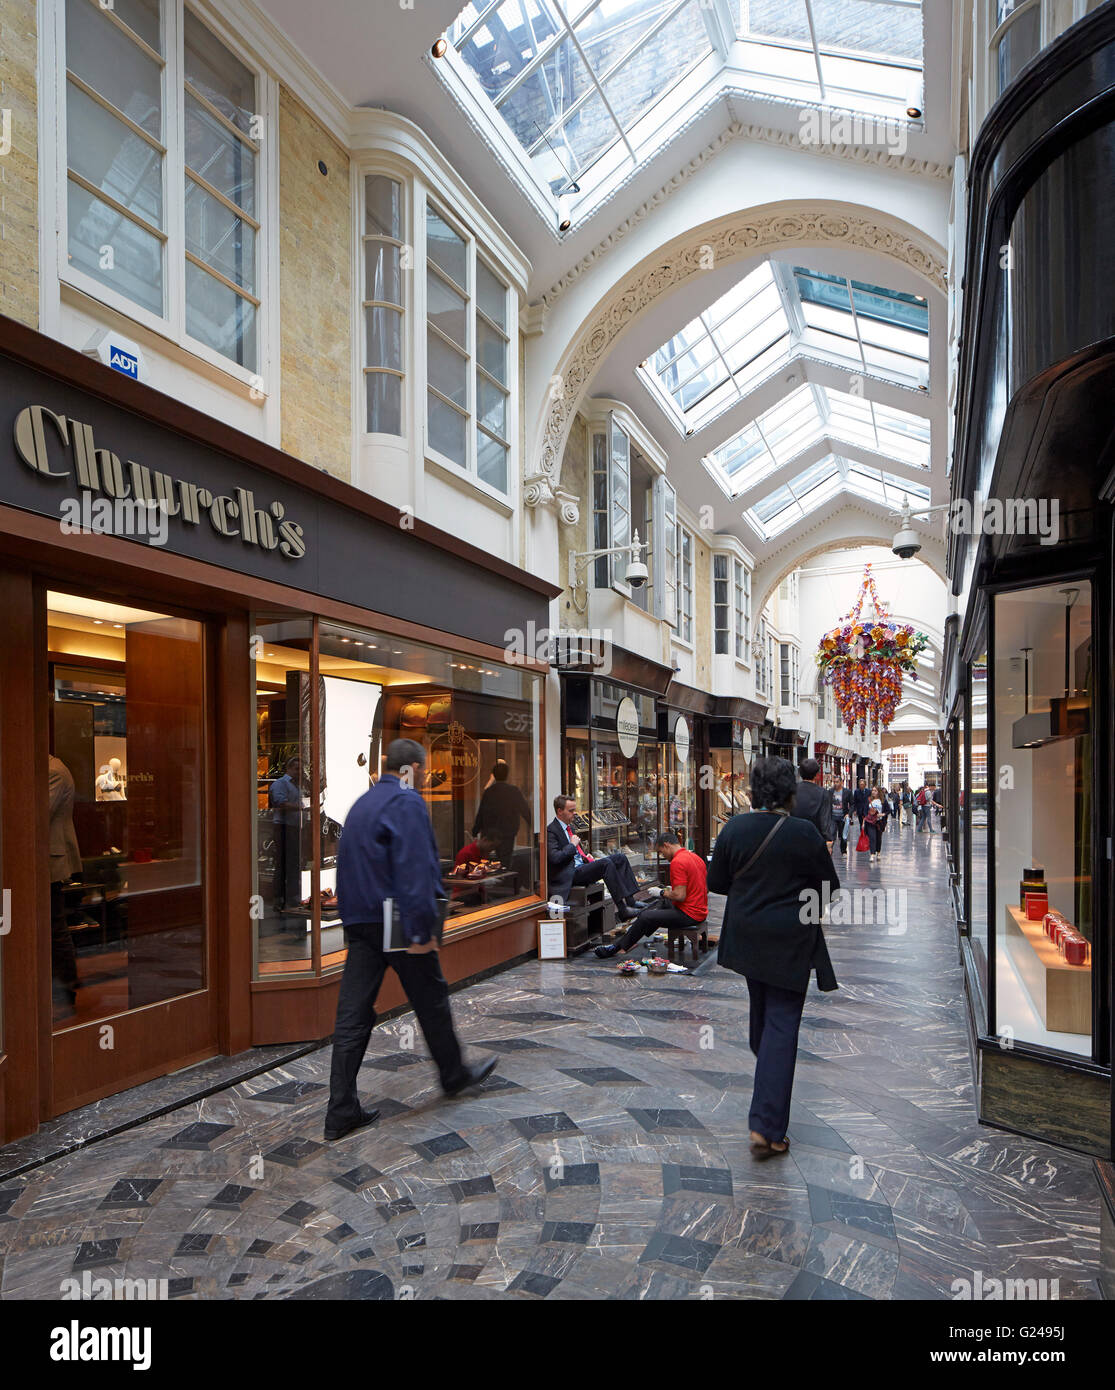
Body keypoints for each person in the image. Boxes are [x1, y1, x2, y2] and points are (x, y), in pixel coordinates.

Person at [324, 739, 497, 1142]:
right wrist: (422, 931)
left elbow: (344, 862)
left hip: (361, 922)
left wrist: (351, 919)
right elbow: (415, 868)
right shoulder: (407, 802)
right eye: (423, 769)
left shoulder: (361, 804)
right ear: (414, 768)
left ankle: (340, 1110)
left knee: (352, 1016)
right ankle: (453, 1075)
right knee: (431, 998)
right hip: (398, 921)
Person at [709, 756, 839, 1158]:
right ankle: (767, 1127)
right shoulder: (802, 833)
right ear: (790, 792)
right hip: (789, 941)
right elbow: (828, 889)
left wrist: (754, 895)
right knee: (781, 1027)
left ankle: (768, 1083)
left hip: (748, 938)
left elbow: (717, 882)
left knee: (764, 1020)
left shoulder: (734, 828)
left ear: (753, 790)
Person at [595, 831, 707, 958]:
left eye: (661, 851)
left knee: (646, 917)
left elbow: (680, 896)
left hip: (689, 914)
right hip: (700, 911)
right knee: (657, 906)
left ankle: (617, 947)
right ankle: (634, 932)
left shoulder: (678, 862)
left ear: (666, 845)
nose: (662, 855)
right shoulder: (695, 857)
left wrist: (662, 892)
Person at [547, 795, 644, 921]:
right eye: (570, 811)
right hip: (570, 874)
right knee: (606, 864)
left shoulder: (570, 828)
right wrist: (572, 845)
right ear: (560, 811)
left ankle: (631, 901)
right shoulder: (551, 831)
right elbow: (555, 858)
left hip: (580, 866)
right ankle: (622, 909)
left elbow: (576, 852)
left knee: (620, 858)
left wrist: (585, 856)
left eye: (574, 810)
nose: (574, 814)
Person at [49, 754, 82, 1018]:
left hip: (49, 860)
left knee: (55, 927)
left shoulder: (54, 771)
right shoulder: (50, 768)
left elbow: (35, 815)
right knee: (53, 926)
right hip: (44, 859)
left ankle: (68, 986)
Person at [471, 760, 532, 865]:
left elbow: (481, 812)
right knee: (505, 860)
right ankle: (504, 878)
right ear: (507, 775)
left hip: (490, 832)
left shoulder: (489, 792)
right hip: (507, 832)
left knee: (487, 860)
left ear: (494, 775)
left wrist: (475, 830)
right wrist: (531, 824)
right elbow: (524, 809)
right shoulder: (513, 791)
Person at [269, 755, 304, 912]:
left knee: (293, 863)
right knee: (282, 864)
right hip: (283, 827)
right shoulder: (280, 784)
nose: (299, 772)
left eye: (300, 769)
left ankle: (292, 898)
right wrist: (299, 806)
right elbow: (279, 802)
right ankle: (279, 899)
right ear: (288, 768)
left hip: (294, 827)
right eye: (296, 768)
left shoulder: (297, 785)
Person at [790, 758, 833, 852]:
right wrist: (828, 841)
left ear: (800, 773)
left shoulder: (791, 790)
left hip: (793, 839)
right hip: (815, 840)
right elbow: (824, 820)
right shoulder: (823, 793)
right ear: (817, 775)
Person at [830, 779, 853, 856]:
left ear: (841, 782)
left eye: (837, 782)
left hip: (843, 817)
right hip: (832, 817)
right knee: (831, 833)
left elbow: (852, 804)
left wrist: (849, 814)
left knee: (843, 835)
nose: (835, 784)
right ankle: (830, 849)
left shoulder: (847, 792)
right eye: (834, 782)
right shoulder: (830, 791)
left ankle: (843, 851)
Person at [865, 786, 884, 861]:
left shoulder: (882, 801)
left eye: (875, 790)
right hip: (870, 822)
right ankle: (872, 854)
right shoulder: (869, 800)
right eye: (872, 790)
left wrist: (883, 814)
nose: (873, 792)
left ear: (878, 792)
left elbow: (887, 810)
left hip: (879, 822)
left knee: (878, 838)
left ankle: (878, 852)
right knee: (872, 837)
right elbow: (866, 810)